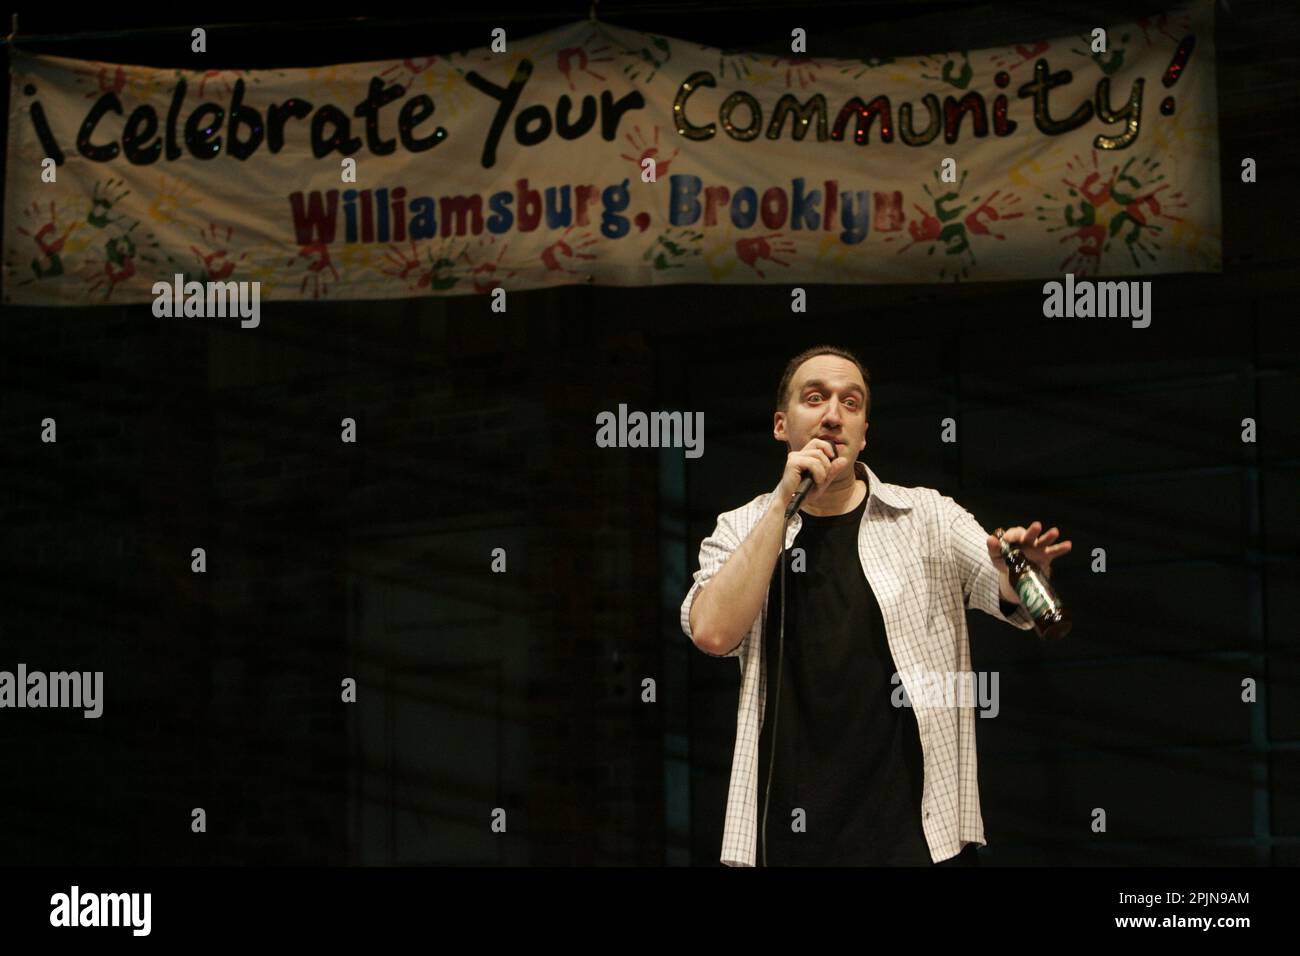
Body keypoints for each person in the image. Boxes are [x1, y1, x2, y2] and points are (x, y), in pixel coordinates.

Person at [679, 345, 1072, 867]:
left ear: (864, 432)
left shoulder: (925, 516)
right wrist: (780, 503)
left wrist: (1023, 571)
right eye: (814, 398)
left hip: (916, 840)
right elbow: (711, 631)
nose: (832, 416)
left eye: (851, 403)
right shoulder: (739, 528)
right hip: (788, 841)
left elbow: (1003, 590)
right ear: (781, 425)